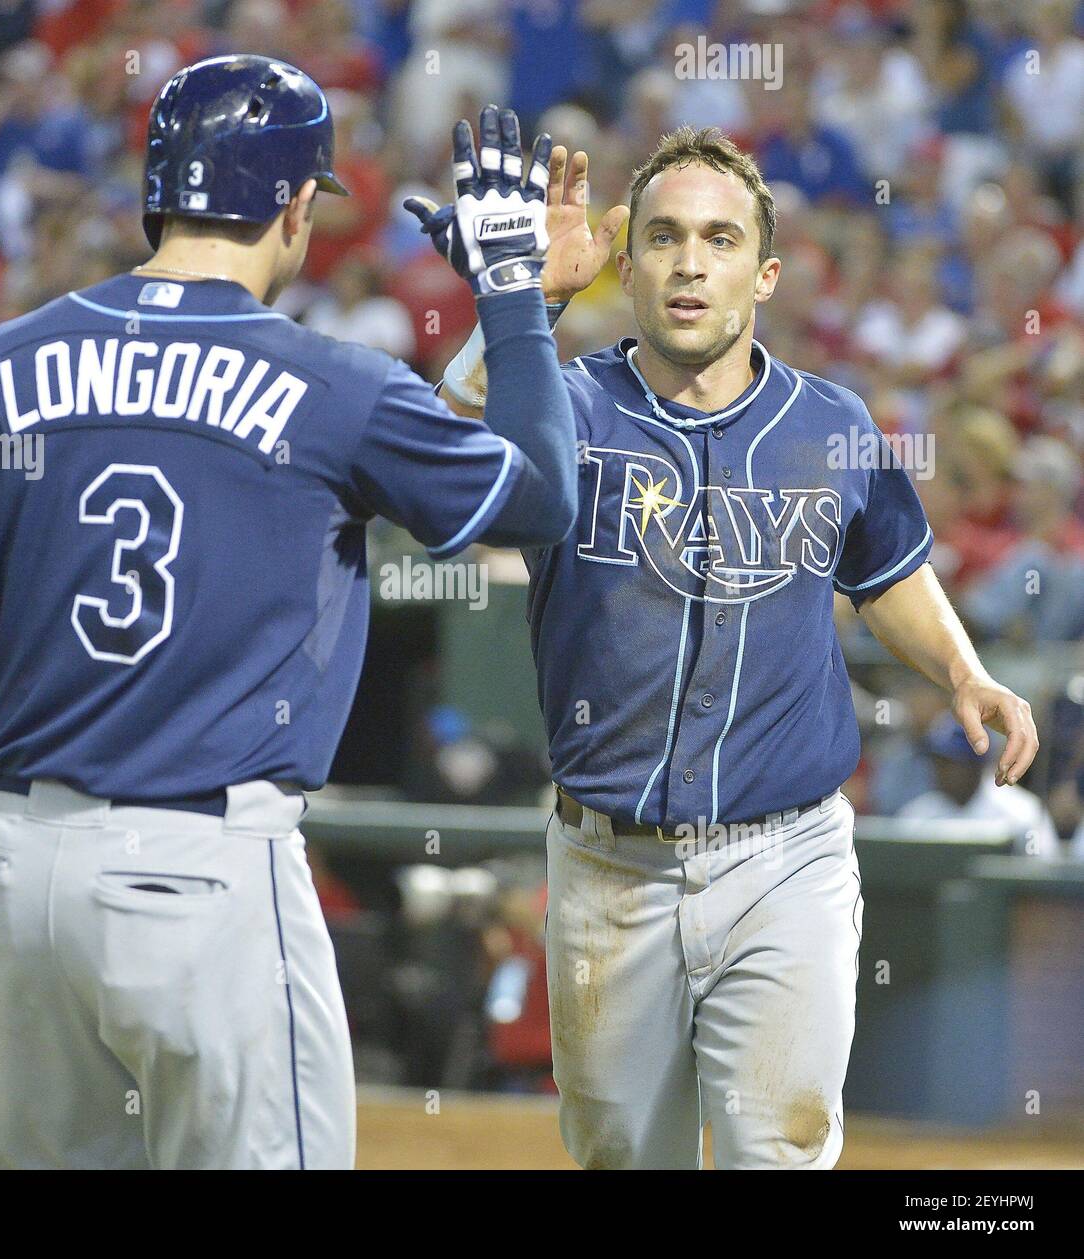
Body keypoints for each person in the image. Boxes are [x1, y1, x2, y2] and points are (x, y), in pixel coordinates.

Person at [0, 56, 577, 1170]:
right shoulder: (332, 382)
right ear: (295, 205)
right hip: (204, 873)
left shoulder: (1, 364)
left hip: (25, 881)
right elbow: (541, 496)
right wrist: (513, 289)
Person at [423, 124, 1039, 1169]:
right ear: (628, 262)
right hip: (606, 862)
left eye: (717, 238)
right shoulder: (565, 406)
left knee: (779, 1149)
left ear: (762, 273)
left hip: (784, 853)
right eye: (662, 236)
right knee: (627, 1156)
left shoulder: (831, 421)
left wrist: (962, 668)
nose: (690, 261)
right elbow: (447, 460)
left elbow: (885, 569)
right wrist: (525, 299)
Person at [898, 714, 1059, 858]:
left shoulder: (1023, 812)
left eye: (950, 763)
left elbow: (1043, 876)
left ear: (976, 764)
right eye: (937, 762)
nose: (940, 771)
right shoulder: (915, 815)